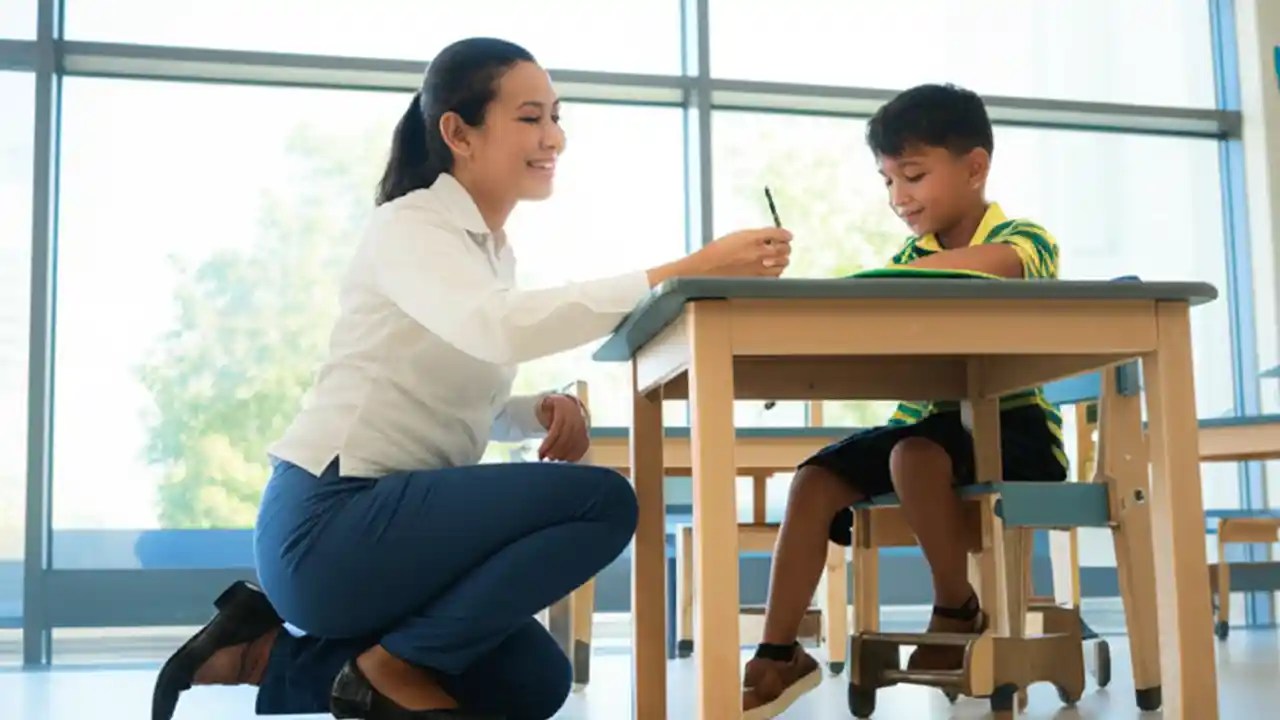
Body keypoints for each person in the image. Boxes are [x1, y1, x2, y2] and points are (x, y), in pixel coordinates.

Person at [151, 37, 793, 720]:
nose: (554, 137)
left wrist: (535, 411)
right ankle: (387, 667)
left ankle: (264, 656)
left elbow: (459, 393)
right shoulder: (409, 227)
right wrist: (688, 269)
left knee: (531, 682)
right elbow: (499, 328)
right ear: (458, 133)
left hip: (382, 527)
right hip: (330, 524)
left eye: (556, 117)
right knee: (602, 501)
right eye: (530, 117)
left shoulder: (488, 254)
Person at [740, 83, 1067, 719]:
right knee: (814, 480)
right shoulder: (908, 259)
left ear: (975, 167)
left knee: (913, 456)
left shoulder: (1023, 237)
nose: (898, 198)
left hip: (1015, 429)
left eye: (913, 176)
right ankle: (779, 653)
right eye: (888, 181)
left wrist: (877, 286)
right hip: (928, 426)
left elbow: (1002, 264)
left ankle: (956, 609)